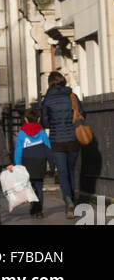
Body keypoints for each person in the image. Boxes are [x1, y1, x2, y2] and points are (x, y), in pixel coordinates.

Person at [40, 70, 85, 218]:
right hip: (73, 139)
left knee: (63, 172)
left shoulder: (47, 100)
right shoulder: (72, 96)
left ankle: (68, 200)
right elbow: (82, 114)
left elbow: (45, 123)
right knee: (71, 171)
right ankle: (73, 199)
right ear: (63, 81)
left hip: (57, 141)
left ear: (50, 83)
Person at [10, 107, 53, 218]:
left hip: (27, 163)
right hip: (40, 163)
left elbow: (18, 150)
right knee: (39, 187)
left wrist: (17, 165)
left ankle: (33, 209)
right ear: (38, 119)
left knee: (29, 187)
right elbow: (48, 148)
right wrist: (52, 164)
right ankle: (39, 211)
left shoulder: (22, 133)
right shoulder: (42, 132)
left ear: (25, 119)